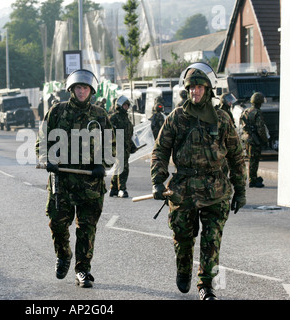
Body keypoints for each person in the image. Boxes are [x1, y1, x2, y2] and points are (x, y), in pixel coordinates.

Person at [150, 62, 247, 300]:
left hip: (216, 190)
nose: (195, 91)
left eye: (200, 87)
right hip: (183, 191)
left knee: (211, 240)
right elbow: (160, 150)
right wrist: (158, 180)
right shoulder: (176, 118)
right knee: (183, 238)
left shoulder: (222, 119)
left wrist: (241, 189)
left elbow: (236, 155)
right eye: (192, 87)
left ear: (208, 89)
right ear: (187, 89)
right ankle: (183, 270)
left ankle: (205, 284)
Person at [35, 69, 115, 288]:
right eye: (78, 87)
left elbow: (111, 145)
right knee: (58, 224)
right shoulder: (57, 112)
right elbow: (42, 140)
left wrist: (103, 164)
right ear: (71, 89)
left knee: (87, 229)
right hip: (62, 183)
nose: (82, 91)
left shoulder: (100, 115)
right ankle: (63, 254)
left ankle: (83, 270)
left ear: (91, 91)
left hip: (91, 184)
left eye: (85, 88)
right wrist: (46, 159)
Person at [108, 95, 137, 198]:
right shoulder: (114, 118)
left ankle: (114, 188)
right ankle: (122, 189)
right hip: (118, 147)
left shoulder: (126, 118)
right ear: (119, 105)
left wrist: (133, 144)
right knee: (123, 168)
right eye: (124, 105)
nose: (126, 107)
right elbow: (108, 133)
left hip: (126, 147)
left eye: (127, 105)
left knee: (118, 167)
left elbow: (129, 133)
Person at [239, 92, 269, 188]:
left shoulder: (246, 111)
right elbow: (260, 128)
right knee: (254, 160)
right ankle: (252, 180)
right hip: (254, 139)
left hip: (247, 138)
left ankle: (253, 178)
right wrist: (265, 140)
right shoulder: (257, 112)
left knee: (251, 159)